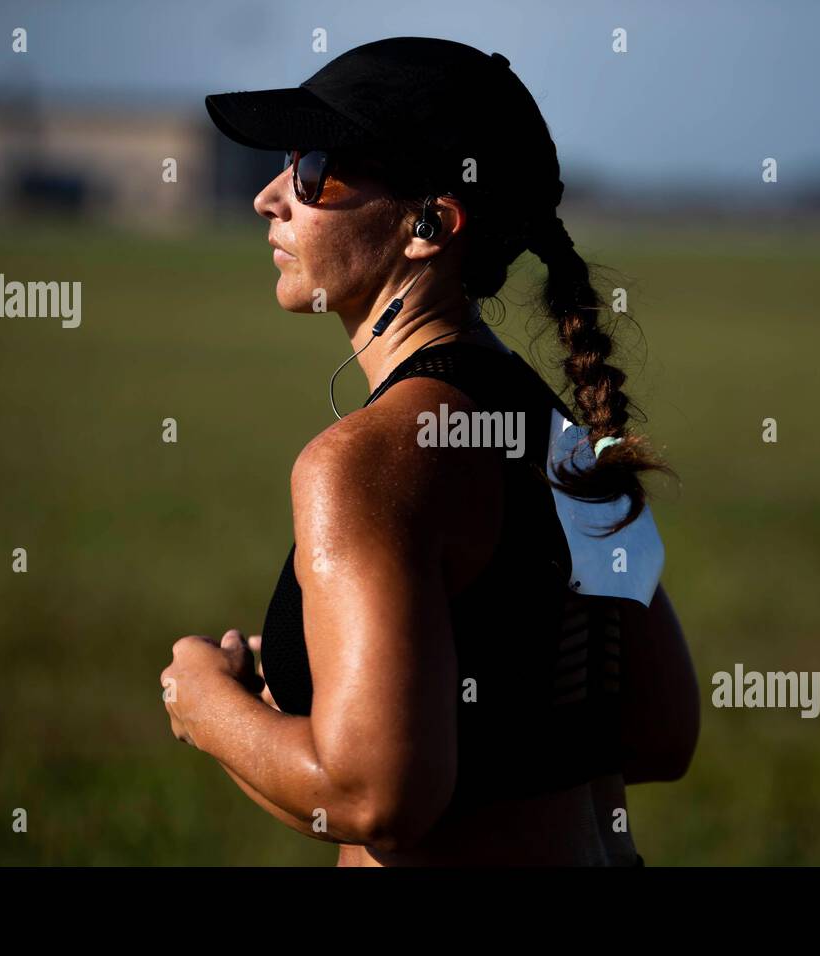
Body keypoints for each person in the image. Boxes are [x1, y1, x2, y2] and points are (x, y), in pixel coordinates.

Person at [160, 36, 699, 866]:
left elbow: (374, 796)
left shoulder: (361, 463)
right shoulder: (567, 435)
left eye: (317, 170)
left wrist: (209, 709)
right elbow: (660, 734)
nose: (272, 196)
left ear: (430, 223)